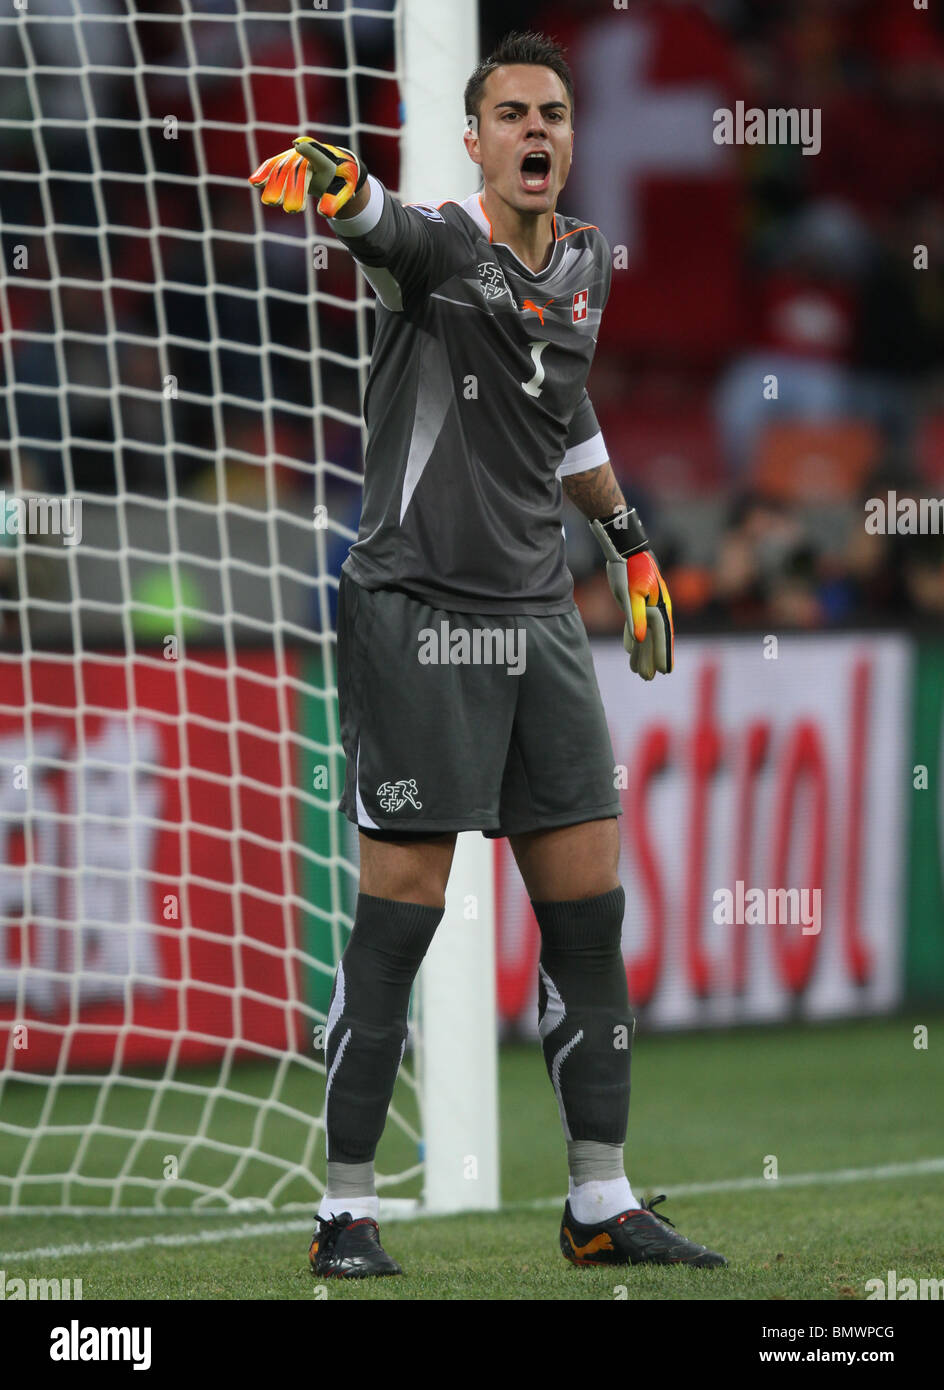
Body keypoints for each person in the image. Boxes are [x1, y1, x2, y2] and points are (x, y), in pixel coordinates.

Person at [250, 30, 724, 1279]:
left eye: (553, 113)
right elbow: (378, 226)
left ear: (572, 136)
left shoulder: (581, 259)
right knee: (400, 916)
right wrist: (343, 191)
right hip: (415, 612)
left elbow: (559, 401)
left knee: (585, 908)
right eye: (510, 111)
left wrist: (626, 543)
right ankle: (344, 1210)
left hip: (535, 618)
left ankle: (598, 1202)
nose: (534, 130)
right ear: (475, 136)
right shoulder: (442, 248)